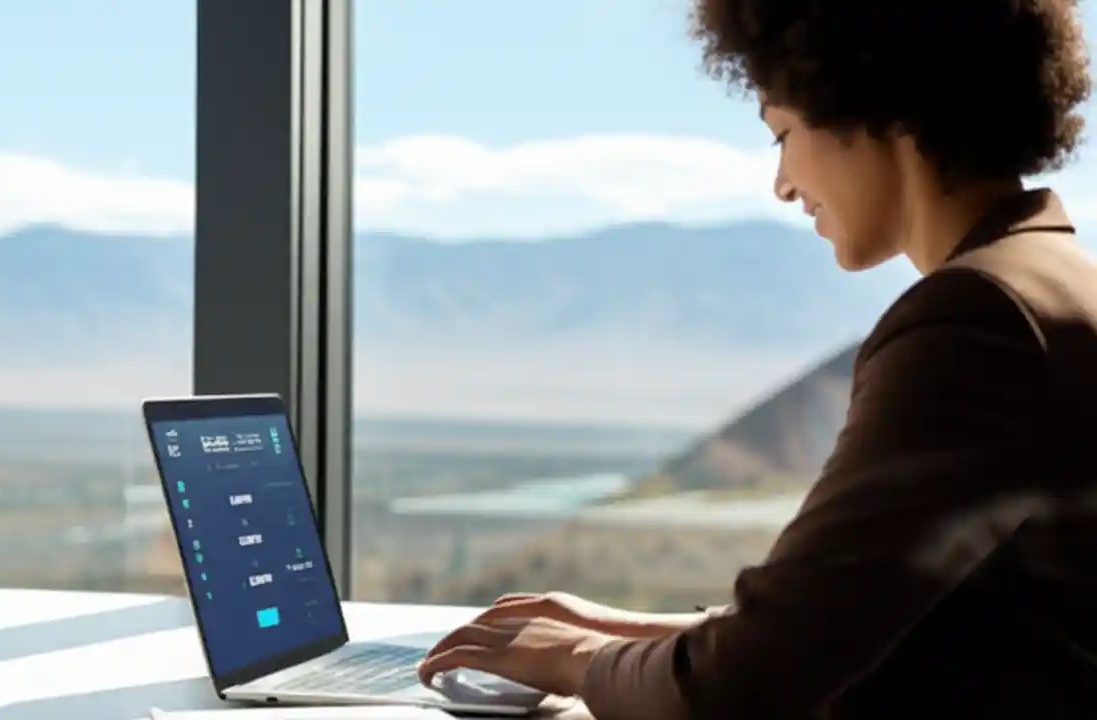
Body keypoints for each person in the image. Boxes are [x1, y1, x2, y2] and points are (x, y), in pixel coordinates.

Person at [417, 0, 1097, 717]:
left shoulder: (976, 320)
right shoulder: (1052, 284)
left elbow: (742, 687)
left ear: (876, 103)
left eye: (783, 134)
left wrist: (573, 659)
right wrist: (616, 631)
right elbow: (863, 625)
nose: (783, 183)